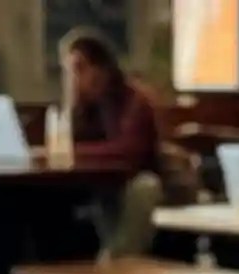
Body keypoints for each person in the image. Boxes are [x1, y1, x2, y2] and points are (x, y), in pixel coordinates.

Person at [61, 29, 164, 258]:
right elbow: (70, 146)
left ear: (103, 67)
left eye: (81, 68)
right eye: (70, 72)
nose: (77, 77)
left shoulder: (136, 100)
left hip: (133, 180)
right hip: (101, 186)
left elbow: (129, 152)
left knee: (145, 187)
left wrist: (72, 153)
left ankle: (115, 260)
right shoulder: (84, 108)